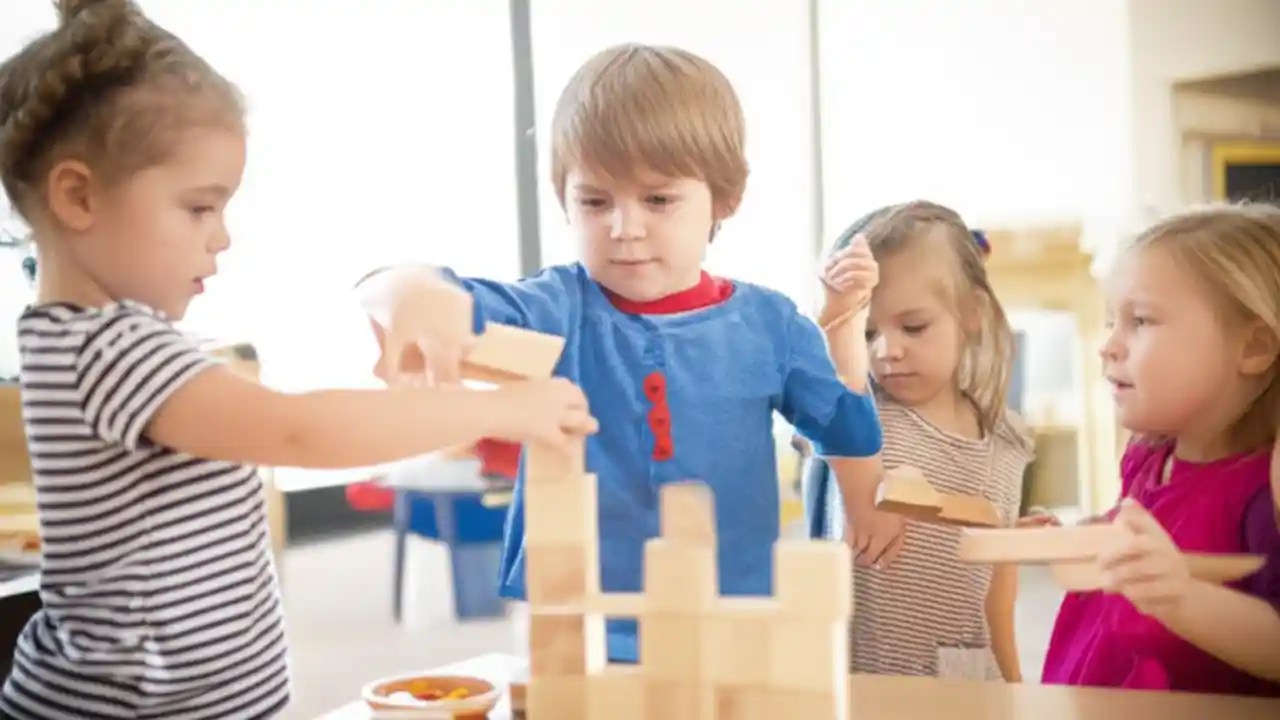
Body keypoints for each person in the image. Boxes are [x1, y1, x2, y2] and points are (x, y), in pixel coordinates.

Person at [0, 2, 593, 718]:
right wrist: (497, 409)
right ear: (78, 196)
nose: (221, 237)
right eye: (198, 208)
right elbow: (297, 431)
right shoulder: (108, 349)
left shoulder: (90, 342)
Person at [357, 43, 885, 662]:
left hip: (730, 616)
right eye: (595, 201)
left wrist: (846, 331)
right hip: (581, 623)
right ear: (566, 200)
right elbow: (419, 291)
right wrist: (404, 293)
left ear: (725, 198)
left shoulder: (770, 324)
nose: (624, 228)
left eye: (658, 200)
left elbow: (844, 426)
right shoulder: (556, 306)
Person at [1043, 203, 1280, 694]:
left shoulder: (1261, 491)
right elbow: (1143, 532)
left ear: (1253, 347)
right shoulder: (1150, 456)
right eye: (1111, 321)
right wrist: (1083, 537)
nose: (1108, 344)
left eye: (1141, 321)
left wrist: (1182, 598)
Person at [815, 201, 1035, 680]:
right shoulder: (859, 420)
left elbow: (998, 596)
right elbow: (832, 387)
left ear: (972, 313)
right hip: (871, 692)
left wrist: (1015, 689)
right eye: (867, 332)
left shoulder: (1008, 443)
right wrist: (836, 314)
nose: (887, 350)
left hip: (970, 688)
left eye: (913, 327)